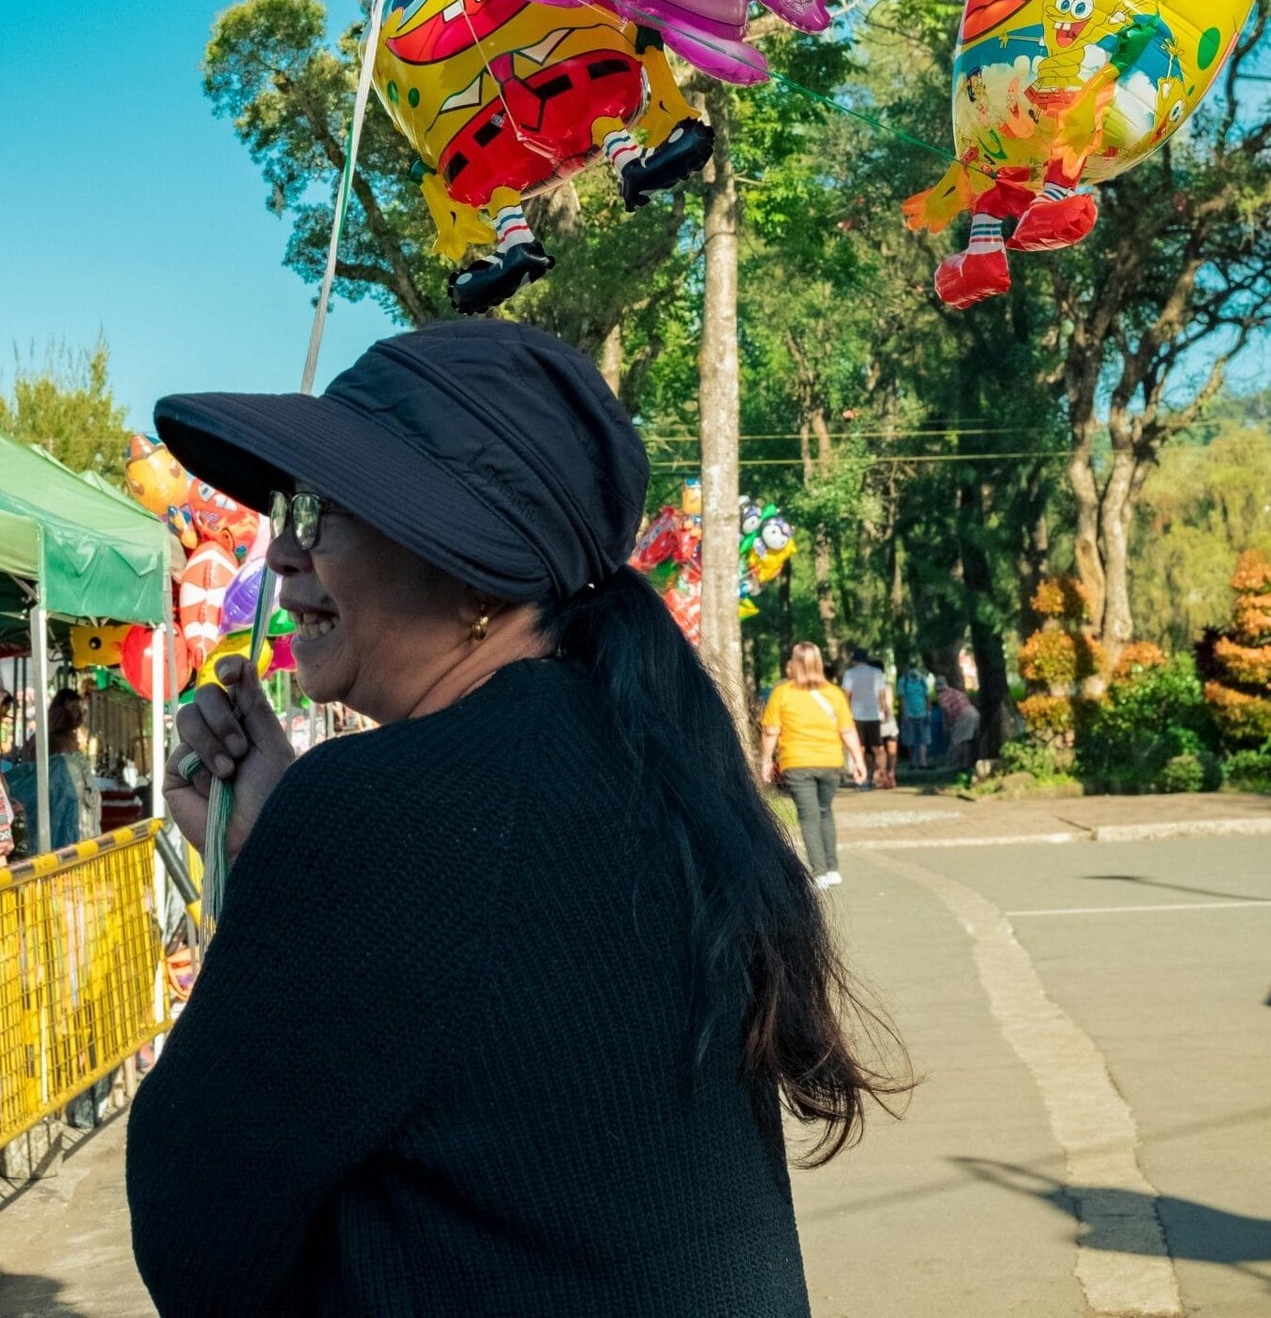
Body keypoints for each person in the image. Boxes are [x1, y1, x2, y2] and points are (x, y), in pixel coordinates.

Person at [128, 322, 899, 1318]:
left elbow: (197, 1238)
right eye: (286, 509)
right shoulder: (644, 759)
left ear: (465, 560)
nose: (281, 552)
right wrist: (279, 854)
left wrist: (297, 855)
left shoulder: (382, 814)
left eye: (321, 510)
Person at [759, 645, 866, 887]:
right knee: (825, 812)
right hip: (830, 762)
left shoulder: (782, 693)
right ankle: (832, 867)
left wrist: (765, 761)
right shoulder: (834, 694)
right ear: (819, 663)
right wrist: (858, 761)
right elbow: (847, 730)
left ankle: (818, 872)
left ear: (794, 663)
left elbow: (771, 730)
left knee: (808, 816)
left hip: (796, 762)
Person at [9, 688, 101, 850]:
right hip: (56, 809)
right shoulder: (49, 740)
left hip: (75, 810)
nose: (78, 714)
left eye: (79, 708)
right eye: (72, 709)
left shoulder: (67, 739)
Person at [838, 650, 887, 789]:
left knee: (860, 748)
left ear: (854, 660)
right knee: (878, 748)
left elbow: (846, 695)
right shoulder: (876, 673)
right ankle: (881, 776)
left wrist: (844, 714)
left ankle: (861, 778)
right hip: (874, 714)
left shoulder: (850, 674)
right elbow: (881, 694)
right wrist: (883, 711)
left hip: (856, 715)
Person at [898, 664, 931, 771]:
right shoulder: (903, 681)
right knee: (909, 740)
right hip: (909, 715)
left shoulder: (922, 681)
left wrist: (928, 712)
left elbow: (927, 697)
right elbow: (902, 699)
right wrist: (904, 714)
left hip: (923, 714)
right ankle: (912, 762)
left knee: (924, 739)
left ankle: (923, 762)